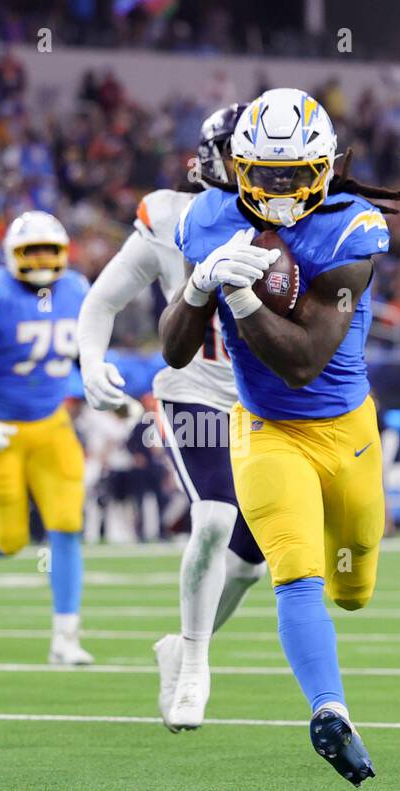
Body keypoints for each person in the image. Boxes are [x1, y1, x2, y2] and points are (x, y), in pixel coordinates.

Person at [159, 88, 400, 785]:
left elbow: (303, 363)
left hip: (345, 430)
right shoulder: (207, 219)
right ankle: (330, 712)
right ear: (237, 167)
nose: (274, 193)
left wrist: (238, 298)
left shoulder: (350, 230)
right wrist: (196, 289)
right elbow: (174, 352)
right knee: (295, 574)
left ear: (324, 169)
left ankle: (345, 606)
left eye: (291, 177)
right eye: (262, 176)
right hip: (265, 429)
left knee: (354, 582)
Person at [77, 102, 266, 731]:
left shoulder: (294, 220)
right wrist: (88, 362)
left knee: (252, 560)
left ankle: (179, 645)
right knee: (213, 516)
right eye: (241, 153)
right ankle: (195, 668)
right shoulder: (169, 218)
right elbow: (102, 300)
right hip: (193, 393)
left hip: (264, 405)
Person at [0, 212, 94, 666]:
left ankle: (65, 638)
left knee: (67, 524)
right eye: (31, 251)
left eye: (49, 250)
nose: (42, 260)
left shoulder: (77, 289)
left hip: (52, 424)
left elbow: (83, 354)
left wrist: (108, 388)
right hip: (1, 429)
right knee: (9, 539)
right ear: (11, 255)